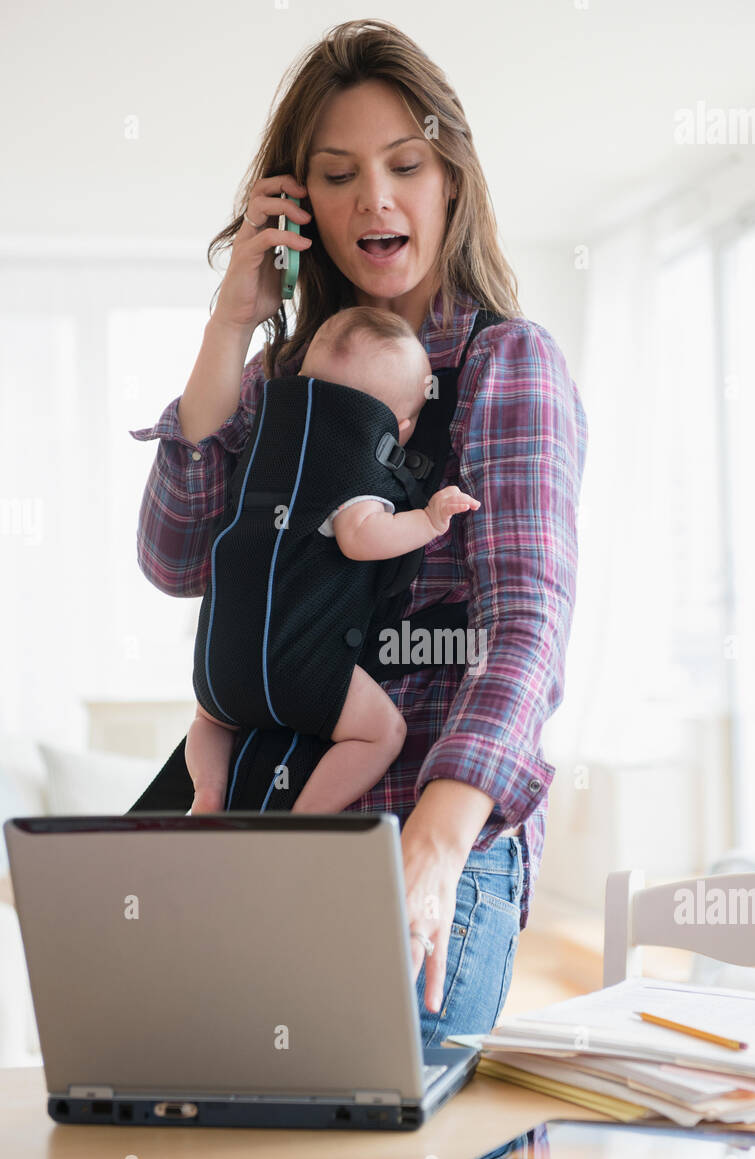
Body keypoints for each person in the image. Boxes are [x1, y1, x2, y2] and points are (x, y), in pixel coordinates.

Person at [130, 19, 587, 1044]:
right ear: (298, 208)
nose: (374, 197)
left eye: (405, 165)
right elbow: (172, 557)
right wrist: (229, 326)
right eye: (336, 175)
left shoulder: (506, 365)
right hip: (263, 822)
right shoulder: (275, 388)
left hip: (427, 819)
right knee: (186, 1117)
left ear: (450, 184)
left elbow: (526, 625)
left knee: (364, 1151)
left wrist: (435, 841)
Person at [184, 304, 480, 816]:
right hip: (299, 668)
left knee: (210, 721)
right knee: (383, 734)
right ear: (401, 426)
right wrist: (429, 520)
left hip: (219, 668)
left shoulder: (265, 451)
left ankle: (207, 794)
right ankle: (306, 821)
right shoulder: (352, 470)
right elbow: (361, 538)